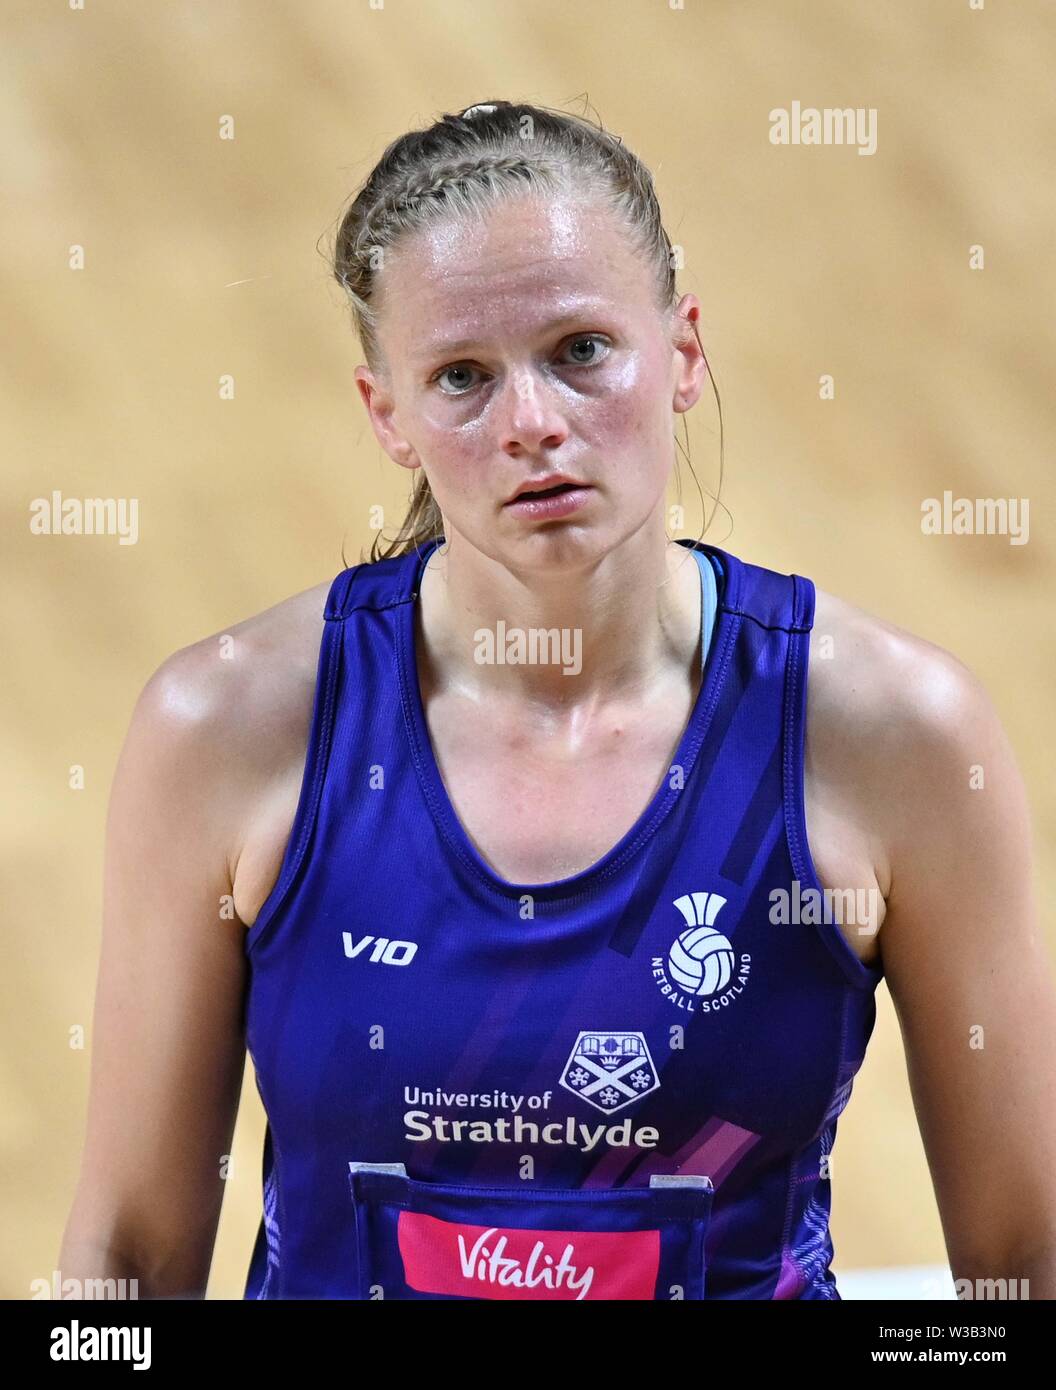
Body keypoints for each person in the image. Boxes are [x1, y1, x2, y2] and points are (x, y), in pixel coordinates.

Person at [60, 100, 1056, 1301]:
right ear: (387, 413)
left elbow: (1020, 1267)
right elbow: (122, 1268)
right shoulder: (222, 733)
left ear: (683, 354)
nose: (533, 424)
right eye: (463, 378)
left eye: (582, 351)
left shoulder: (897, 735)